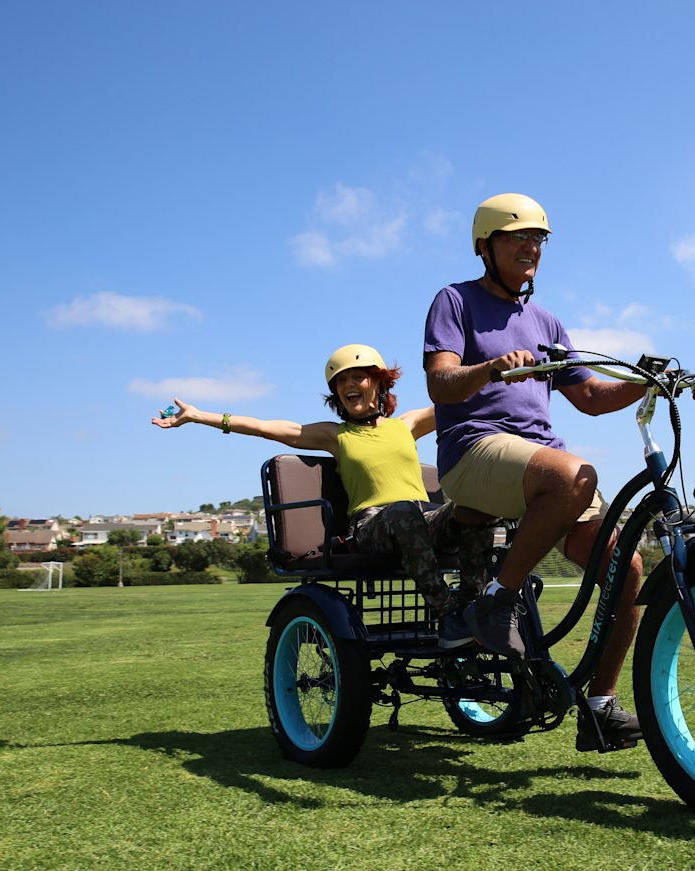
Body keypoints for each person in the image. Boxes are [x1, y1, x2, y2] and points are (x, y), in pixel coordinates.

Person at [423, 193, 648, 752]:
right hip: (472, 451)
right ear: (485, 247)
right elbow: (440, 383)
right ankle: (496, 602)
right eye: (517, 236)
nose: (531, 246)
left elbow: (592, 395)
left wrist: (646, 379)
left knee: (630, 569)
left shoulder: (546, 322)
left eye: (538, 238)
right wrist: (491, 367)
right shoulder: (455, 301)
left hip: (539, 461)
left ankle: (599, 708)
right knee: (575, 475)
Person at [151, 344, 492, 648]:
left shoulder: (406, 425)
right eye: (340, 382)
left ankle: (475, 606)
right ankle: (448, 613)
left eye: (356, 377)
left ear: (378, 383)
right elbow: (262, 426)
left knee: (478, 504)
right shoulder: (335, 436)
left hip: (423, 519)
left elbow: (464, 394)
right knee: (404, 511)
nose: (347, 386)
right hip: (372, 525)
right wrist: (199, 416)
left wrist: (504, 368)